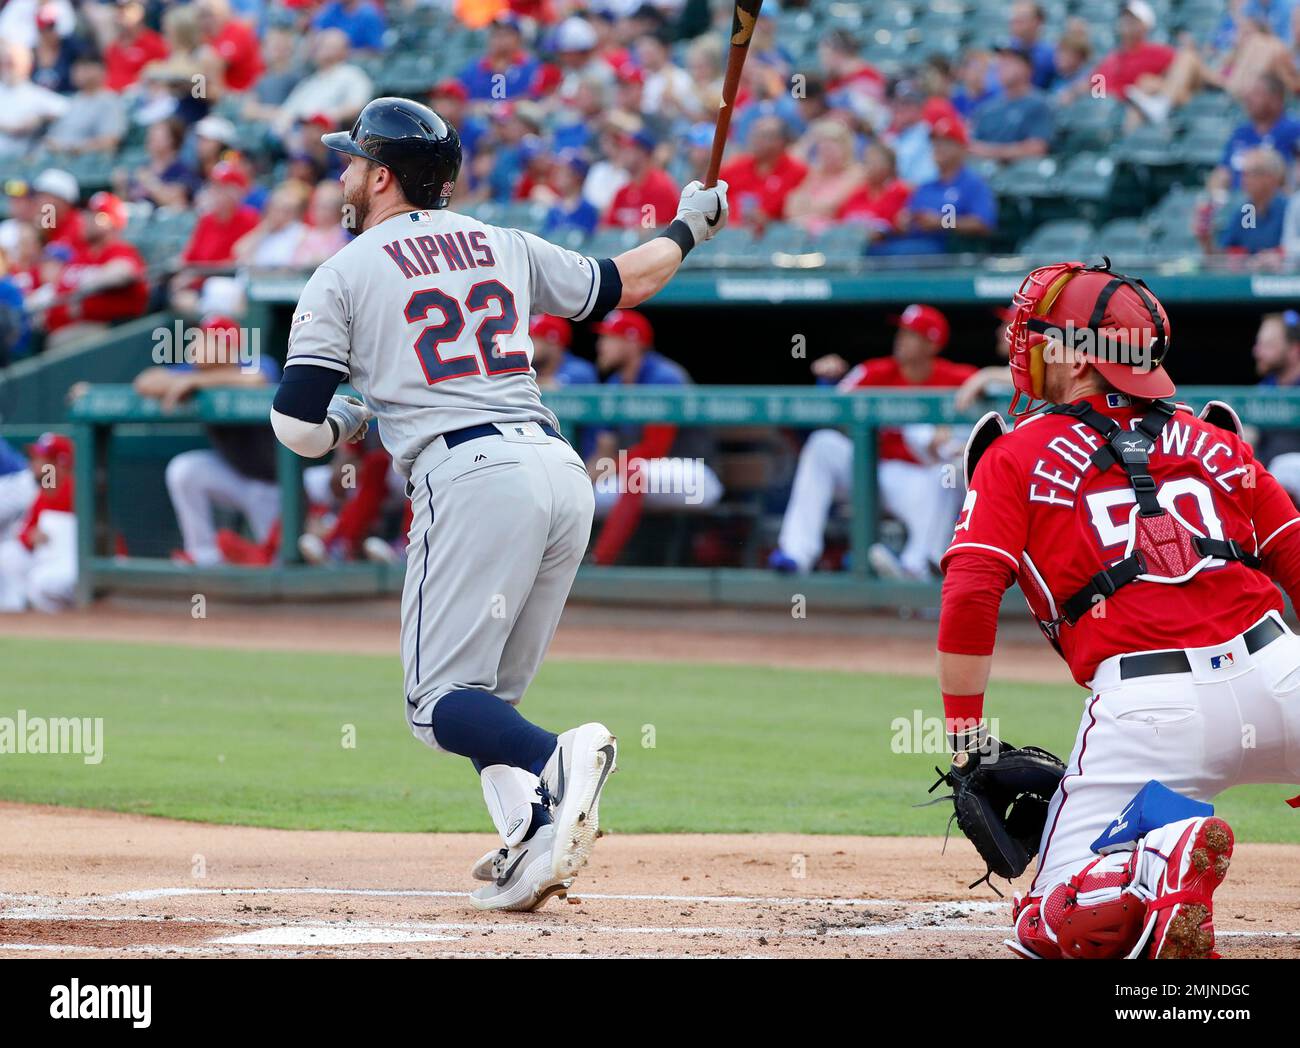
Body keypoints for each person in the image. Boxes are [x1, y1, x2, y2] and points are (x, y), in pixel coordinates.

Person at [267, 97, 729, 911]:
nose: (340, 174)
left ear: (381, 176)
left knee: (436, 705)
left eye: (350, 161)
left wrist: (348, 417)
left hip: (471, 474)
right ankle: (532, 838)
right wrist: (692, 223)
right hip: (557, 469)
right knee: (485, 698)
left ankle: (561, 756)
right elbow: (629, 281)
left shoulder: (341, 271)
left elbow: (296, 425)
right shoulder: (499, 241)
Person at [938, 257, 1300, 959]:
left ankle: (1156, 853)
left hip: (1151, 709)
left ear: (1079, 354)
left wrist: (963, 732)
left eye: (1039, 336)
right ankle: (1166, 829)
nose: (1027, 348)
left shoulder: (1014, 454)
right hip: (1283, 671)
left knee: (1051, 925)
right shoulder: (1218, 440)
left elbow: (971, 590)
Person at [768, 305, 974, 579]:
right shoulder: (873, 372)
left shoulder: (959, 378)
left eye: (911, 334)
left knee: (947, 472)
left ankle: (914, 569)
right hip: (868, 471)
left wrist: (953, 430)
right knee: (822, 443)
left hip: (919, 480)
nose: (901, 339)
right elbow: (824, 414)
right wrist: (827, 384)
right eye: (901, 331)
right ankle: (796, 553)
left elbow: (999, 402)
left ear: (931, 344)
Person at [135, 316, 281, 566]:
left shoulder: (255, 362)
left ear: (227, 347)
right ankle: (204, 554)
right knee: (185, 470)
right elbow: (146, 381)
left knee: (281, 566)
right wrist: (185, 379)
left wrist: (196, 382)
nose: (196, 346)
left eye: (206, 340)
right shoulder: (192, 371)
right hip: (234, 475)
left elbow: (256, 379)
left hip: (273, 486)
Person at [585, 308, 723, 565]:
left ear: (633, 342)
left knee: (637, 472)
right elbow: (605, 449)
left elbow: (656, 449)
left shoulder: (665, 376)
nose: (601, 345)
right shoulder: (615, 384)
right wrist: (578, 481)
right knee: (576, 496)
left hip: (693, 475)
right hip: (634, 476)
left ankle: (601, 559)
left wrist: (612, 467)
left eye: (609, 338)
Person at [35, 192, 148, 349]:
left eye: (93, 216)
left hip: (105, 331)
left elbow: (123, 272)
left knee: (61, 341)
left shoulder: (119, 249)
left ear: (109, 221)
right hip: (58, 327)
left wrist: (79, 296)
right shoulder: (82, 255)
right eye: (86, 215)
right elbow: (57, 286)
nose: (85, 220)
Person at [875, 116, 997, 255]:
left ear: (961, 148)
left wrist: (942, 222)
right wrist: (903, 221)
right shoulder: (925, 187)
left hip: (948, 252)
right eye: (935, 143)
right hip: (914, 247)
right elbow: (905, 220)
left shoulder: (973, 184)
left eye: (945, 143)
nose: (938, 148)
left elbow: (984, 223)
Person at [0, 433, 76, 613]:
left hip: (71, 562)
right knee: (8, 555)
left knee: (41, 583)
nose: (33, 462)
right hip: (46, 558)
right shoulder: (44, 491)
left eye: (41, 459)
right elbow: (25, 533)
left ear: (58, 463)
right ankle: (15, 609)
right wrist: (30, 537)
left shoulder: (76, 490)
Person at [969, 43, 1055, 162]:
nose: (1001, 66)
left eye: (1009, 62)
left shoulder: (1039, 104)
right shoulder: (986, 108)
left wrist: (989, 152)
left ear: (1027, 68)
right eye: (1000, 61)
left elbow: (1036, 149)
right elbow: (971, 146)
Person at [718, 115, 808, 227]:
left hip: (775, 236)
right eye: (754, 135)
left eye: (763, 136)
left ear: (782, 141)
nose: (755, 141)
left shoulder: (798, 172)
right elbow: (707, 194)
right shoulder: (735, 167)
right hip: (732, 233)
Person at [1250, 311, 1300, 500]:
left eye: (1268, 345)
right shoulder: (1264, 389)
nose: (1257, 352)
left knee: (1286, 467)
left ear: (1294, 350)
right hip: (1270, 486)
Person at [529, 314, 597, 389]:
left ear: (553, 344)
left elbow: (554, 385)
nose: (527, 345)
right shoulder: (530, 369)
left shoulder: (580, 370)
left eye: (533, 339)